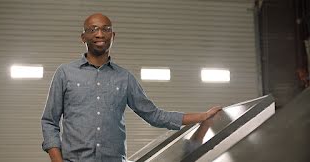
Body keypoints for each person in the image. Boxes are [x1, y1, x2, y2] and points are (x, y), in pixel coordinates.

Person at [41, 13, 221, 162]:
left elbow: (154, 115)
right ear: (83, 37)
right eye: (93, 29)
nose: (99, 34)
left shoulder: (124, 78)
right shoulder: (65, 73)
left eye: (106, 29)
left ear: (113, 36)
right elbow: (49, 122)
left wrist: (202, 116)